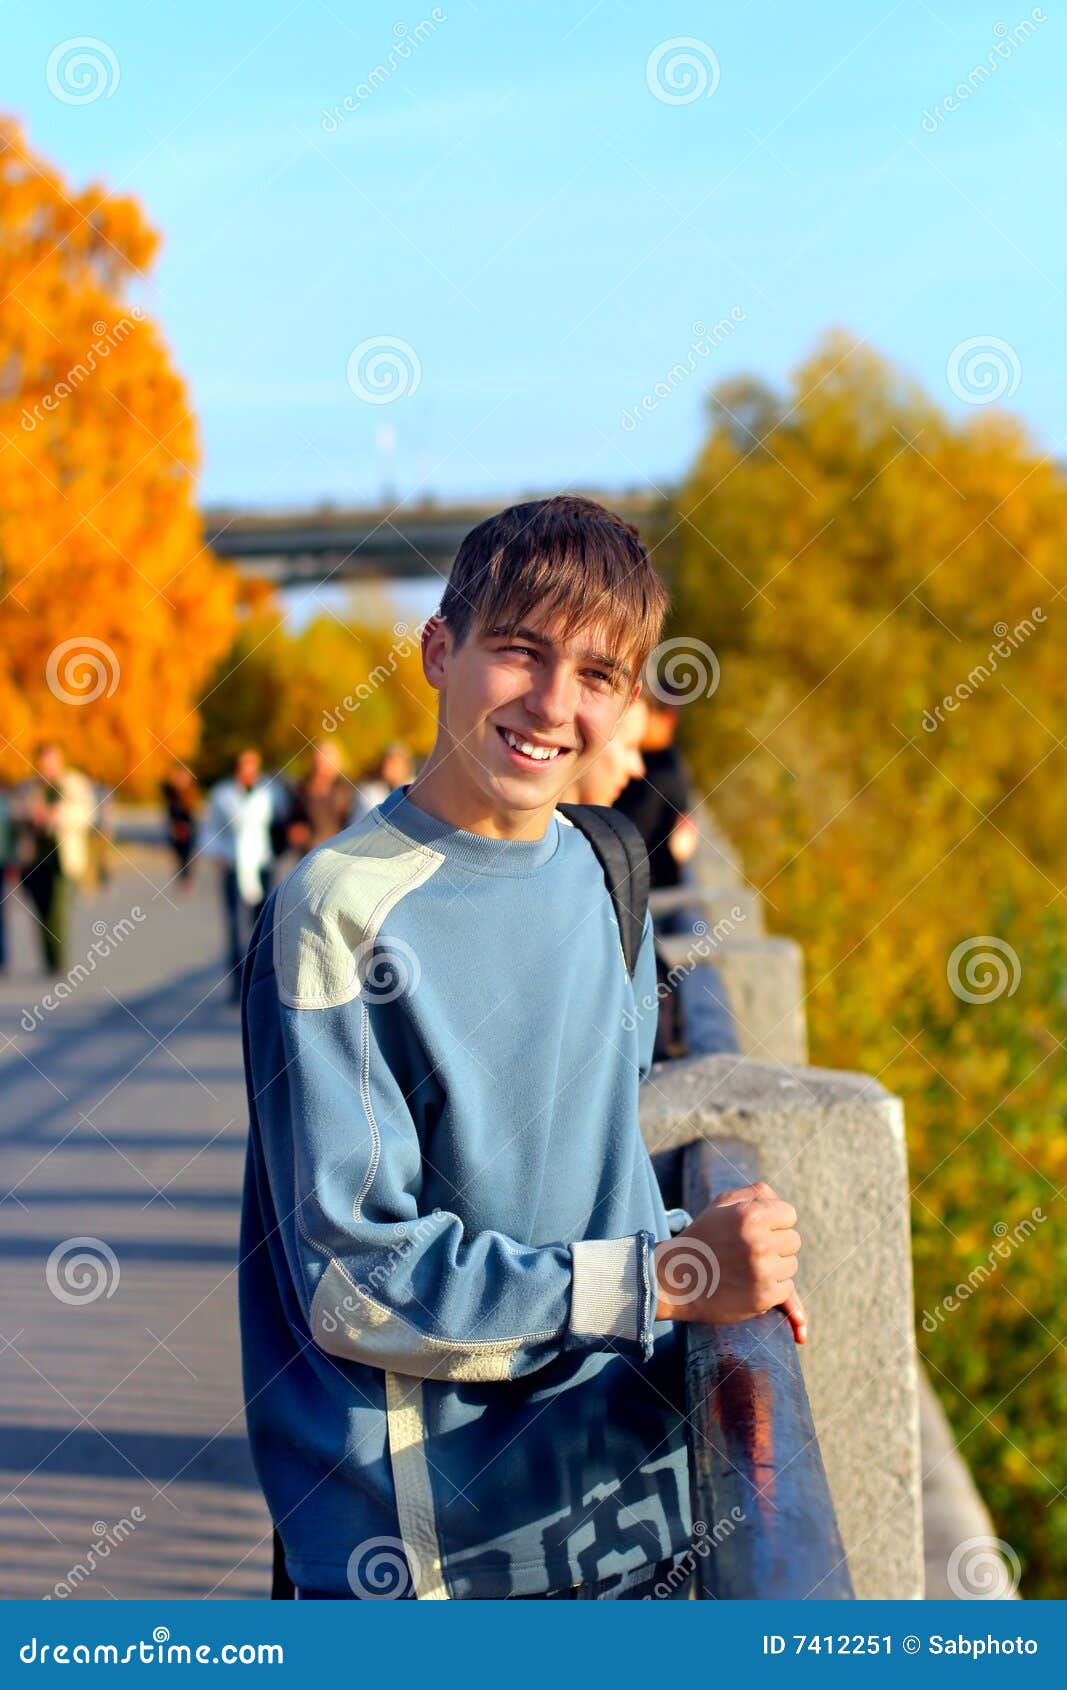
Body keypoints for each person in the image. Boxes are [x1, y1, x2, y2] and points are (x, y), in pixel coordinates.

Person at [238, 495, 806, 1602]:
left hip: (633, 1517)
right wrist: (669, 1277)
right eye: (518, 651)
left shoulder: (602, 871)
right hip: (430, 1562)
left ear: (630, 705)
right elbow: (359, 1285)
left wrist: (724, 1251)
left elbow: (575, 1189)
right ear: (437, 651)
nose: (553, 702)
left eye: (597, 674)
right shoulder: (337, 912)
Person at [12, 743, 96, 975]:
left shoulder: (72, 784)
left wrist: (57, 815)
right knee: (40, 910)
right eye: (43, 762)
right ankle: (48, 957)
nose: (47, 767)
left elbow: (86, 815)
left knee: (57, 908)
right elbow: (15, 813)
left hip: (62, 858)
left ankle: (58, 961)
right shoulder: (29, 787)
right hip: (33, 858)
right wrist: (30, 814)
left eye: (51, 761)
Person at [201, 748, 276, 1002]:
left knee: (261, 926)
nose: (249, 772)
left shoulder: (268, 793)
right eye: (245, 766)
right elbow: (210, 828)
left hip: (261, 863)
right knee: (234, 925)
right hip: (232, 864)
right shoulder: (222, 795)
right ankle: (237, 984)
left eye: (253, 767)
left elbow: (278, 825)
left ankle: (260, 983)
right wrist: (217, 856)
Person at [285, 741, 355, 858]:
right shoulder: (301, 790)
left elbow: (351, 826)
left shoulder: (346, 792)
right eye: (318, 759)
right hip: (305, 853)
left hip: (338, 852)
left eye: (325, 759)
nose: (320, 765)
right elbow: (293, 824)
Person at [349, 742, 415, 824]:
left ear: (406, 766)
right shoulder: (368, 793)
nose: (388, 768)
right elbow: (358, 824)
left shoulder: (419, 792)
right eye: (386, 763)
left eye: (394, 763)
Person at [161, 764, 199, 889]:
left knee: (187, 854)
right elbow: (170, 811)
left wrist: (186, 826)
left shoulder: (190, 793)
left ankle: (187, 879)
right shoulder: (172, 793)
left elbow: (191, 813)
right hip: (175, 828)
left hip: (187, 828)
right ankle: (182, 877)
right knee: (178, 854)